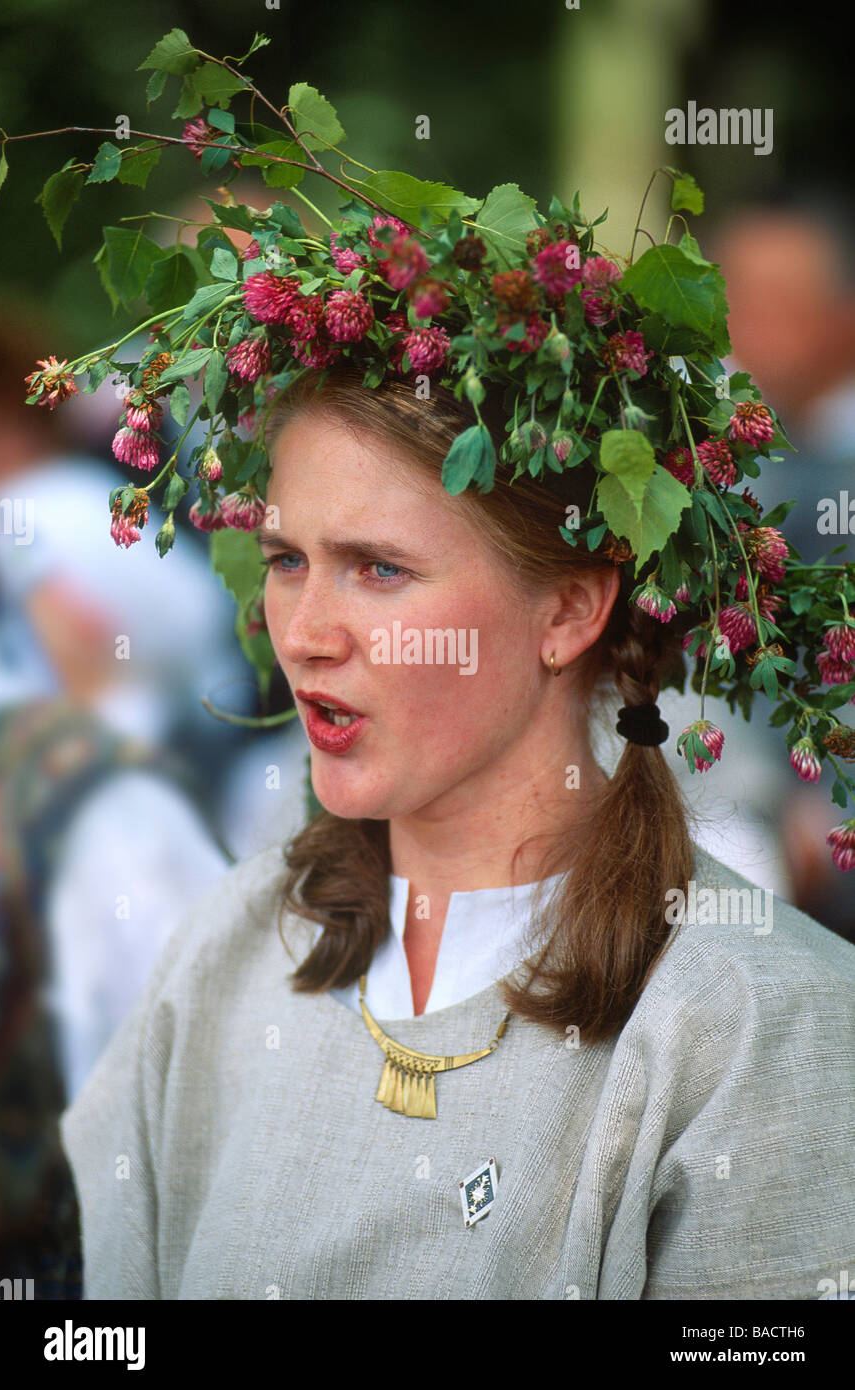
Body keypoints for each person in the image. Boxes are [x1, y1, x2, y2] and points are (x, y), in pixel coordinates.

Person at [60, 365, 855, 1300]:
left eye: (380, 569)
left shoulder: (758, 1024)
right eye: (286, 561)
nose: (306, 633)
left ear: (566, 609)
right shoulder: (225, 951)